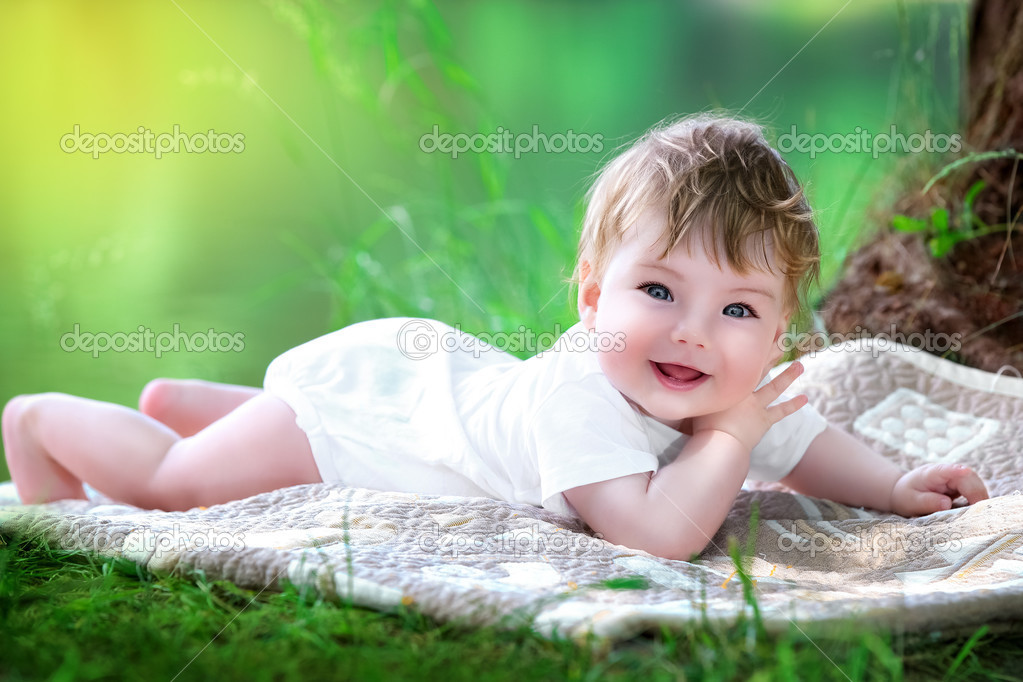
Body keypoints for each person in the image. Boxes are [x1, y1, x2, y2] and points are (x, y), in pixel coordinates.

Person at [2, 115, 989, 561]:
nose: (694, 331)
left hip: (425, 387)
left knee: (227, 443)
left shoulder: (722, 383)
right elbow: (656, 533)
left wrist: (895, 488)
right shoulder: (581, 401)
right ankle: (45, 423)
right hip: (360, 422)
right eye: (657, 289)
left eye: (738, 309)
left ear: (775, 329)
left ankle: (204, 406)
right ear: (594, 294)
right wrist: (728, 443)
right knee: (176, 486)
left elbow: (801, 439)